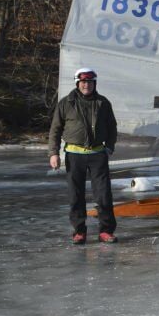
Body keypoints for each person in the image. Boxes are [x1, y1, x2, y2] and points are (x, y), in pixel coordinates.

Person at [48, 68, 118, 244]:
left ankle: (106, 231)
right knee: (75, 195)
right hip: (74, 155)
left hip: (97, 155)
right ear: (77, 83)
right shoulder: (66, 103)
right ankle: (79, 231)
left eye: (90, 82)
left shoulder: (103, 103)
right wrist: (53, 153)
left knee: (103, 195)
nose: (87, 85)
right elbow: (55, 130)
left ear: (95, 84)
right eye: (83, 82)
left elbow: (112, 127)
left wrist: (109, 147)